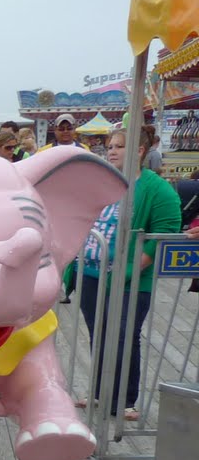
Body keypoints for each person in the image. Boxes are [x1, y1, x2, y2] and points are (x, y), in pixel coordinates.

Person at [71, 128, 181, 420]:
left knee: (123, 335)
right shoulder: (105, 183)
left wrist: (133, 267)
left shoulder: (157, 188)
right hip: (93, 273)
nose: (112, 151)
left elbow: (165, 231)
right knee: (99, 333)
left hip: (129, 278)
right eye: (110, 146)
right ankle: (99, 391)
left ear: (140, 151)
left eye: (119, 146)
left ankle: (124, 399)